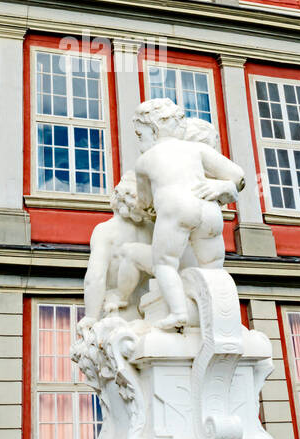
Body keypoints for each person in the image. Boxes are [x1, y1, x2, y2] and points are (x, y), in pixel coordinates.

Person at [126, 99, 246, 331]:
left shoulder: (144, 161)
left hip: (176, 208)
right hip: (208, 207)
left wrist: (146, 208)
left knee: (163, 263)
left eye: (140, 135)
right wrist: (221, 187)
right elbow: (238, 176)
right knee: (212, 265)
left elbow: (145, 201)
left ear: (153, 129)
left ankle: (178, 313)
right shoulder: (197, 149)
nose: (140, 142)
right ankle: (219, 317)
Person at [78, 172, 152, 332]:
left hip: (117, 309)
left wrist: (91, 316)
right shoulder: (153, 231)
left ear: (117, 198)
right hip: (149, 309)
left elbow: (95, 277)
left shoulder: (106, 230)